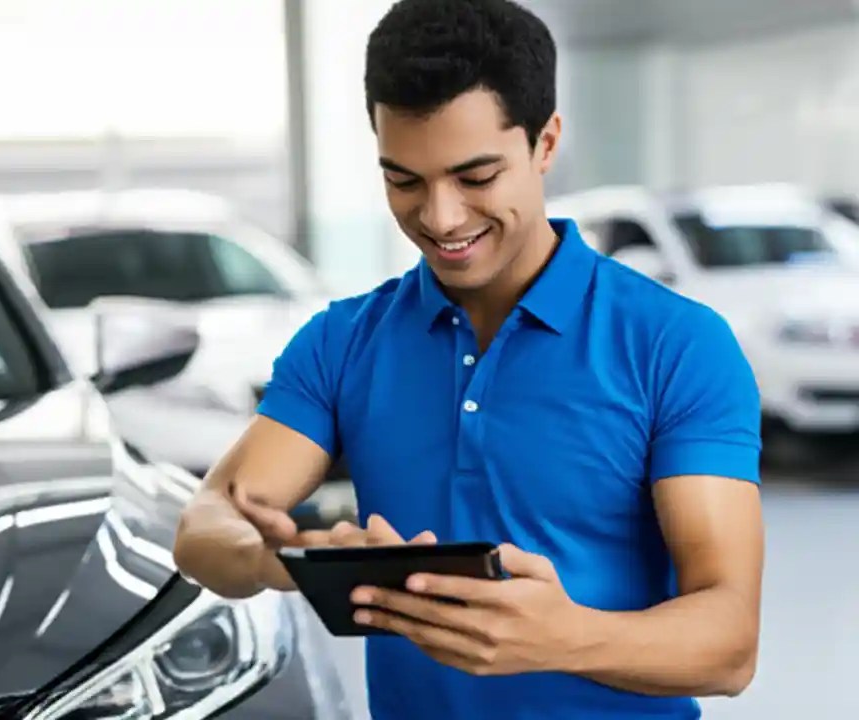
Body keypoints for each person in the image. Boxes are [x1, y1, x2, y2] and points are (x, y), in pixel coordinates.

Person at [172, 0, 764, 717]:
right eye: (404, 181)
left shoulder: (676, 345)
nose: (441, 218)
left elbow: (730, 642)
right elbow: (207, 523)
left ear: (545, 143)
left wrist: (562, 638)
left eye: (476, 177)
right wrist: (286, 559)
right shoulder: (342, 341)